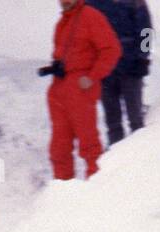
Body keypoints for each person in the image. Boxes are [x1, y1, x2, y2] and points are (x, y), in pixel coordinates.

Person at [43, 0, 121, 180]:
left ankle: (96, 189)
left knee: (89, 144)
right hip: (59, 88)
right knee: (59, 148)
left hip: (80, 88)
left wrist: (93, 76)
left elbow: (111, 50)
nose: (64, 2)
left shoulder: (90, 16)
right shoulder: (62, 22)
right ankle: (62, 191)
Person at [88, 0, 152, 144]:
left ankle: (142, 155)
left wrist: (142, 58)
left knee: (134, 120)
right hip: (105, 69)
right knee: (113, 122)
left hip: (130, 66)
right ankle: (119, 160)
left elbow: (146, 30)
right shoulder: (89, 4)